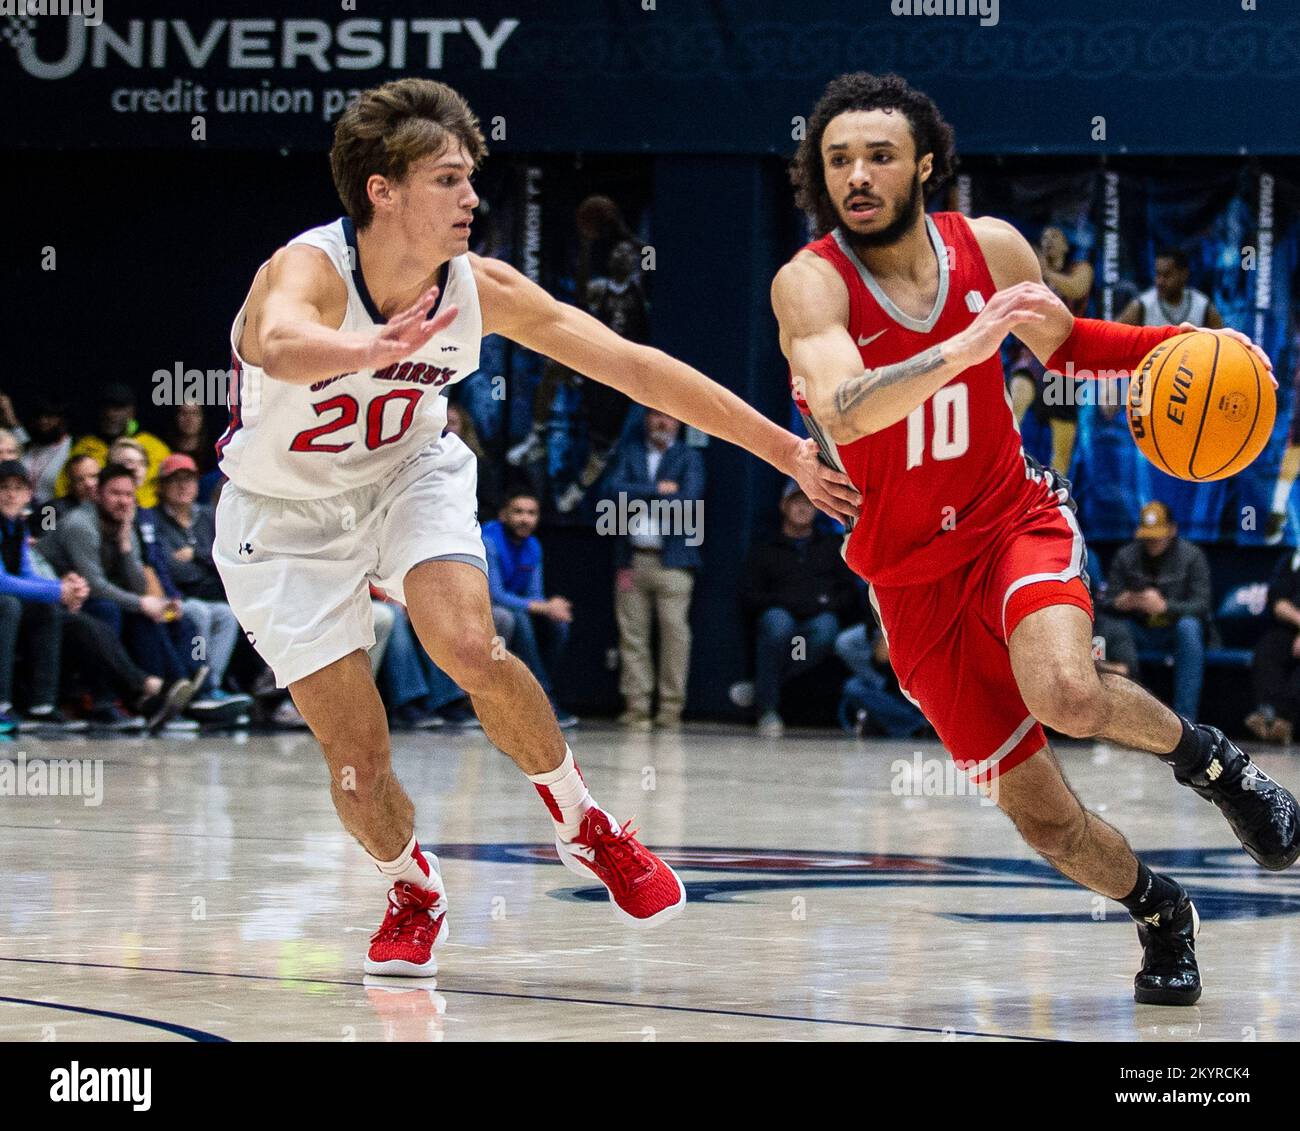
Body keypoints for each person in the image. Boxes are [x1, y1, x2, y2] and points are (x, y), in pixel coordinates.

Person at [210, 78, 856, 977]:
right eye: (448, 179)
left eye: (472, 178)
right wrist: (369, 349)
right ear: (381, 190)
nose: (472, 197)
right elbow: (279, 342)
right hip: (282, 516)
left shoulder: (481, 288)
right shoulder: (307, 270)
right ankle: (411, 886)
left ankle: (584, 822)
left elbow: (634, 367)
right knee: (357, 758)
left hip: (406, 473)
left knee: (470, 644)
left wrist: (786, 450)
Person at [770, 70, 1297, 1007]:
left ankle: (1215, 763)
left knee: (1066, 690)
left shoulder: (991, 246)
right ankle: (1160, 909)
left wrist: (1186, 347)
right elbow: (844, 408)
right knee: (1047, 822)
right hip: (909, 584)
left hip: (1010, 519)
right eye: (838, 158)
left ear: (924, 164)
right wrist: (963, 349)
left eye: (880, 156)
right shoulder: (810, 283)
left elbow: (1069, 345)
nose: (857, 175)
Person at [0, 460, 195, 731]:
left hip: (53, 598)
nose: (11, 495)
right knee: (101, 610)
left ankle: (44, 707)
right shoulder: (79, 524)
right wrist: (59, 590)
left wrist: (125, 547)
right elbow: (3, 581)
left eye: (18, 489)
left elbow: (25, 572)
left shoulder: (17, 526)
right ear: (98, 494)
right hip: (39, 599)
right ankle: (131, 693)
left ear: (27, 494)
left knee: (138, 617)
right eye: (4, 488)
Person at [604, 410, 704, 731]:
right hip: (632, 559)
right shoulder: (629, 452)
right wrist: (659, 490)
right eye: (656, 415)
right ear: (646, 419)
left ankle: (671, 709)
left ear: (680, 422)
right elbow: (612, 494)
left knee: (675, 635)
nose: (662, 422)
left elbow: (689, 503)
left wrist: (636, 495)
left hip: (674, 561)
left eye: (670, 416)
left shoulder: (689, 457)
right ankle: (637, 708)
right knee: (632, 635)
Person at [740, 483, 860, 737]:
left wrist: (823, 603)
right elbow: (749, 595)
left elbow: (848, 592)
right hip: (779, 619)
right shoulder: (765, 548)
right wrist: (785, 601)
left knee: (827, 627)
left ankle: (762, 689)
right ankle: (767, 710)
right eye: (796, 502)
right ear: (783, 506)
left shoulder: (831, 545)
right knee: (778, 623)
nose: (803, 508)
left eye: (808, 502)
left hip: (815, 624)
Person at [142, 453, 254, 715]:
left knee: (226, 615)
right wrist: (204, 564)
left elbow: (226, 557)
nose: (183, 486)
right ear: (161, 486)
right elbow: (169, 567)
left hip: (211, 594)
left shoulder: (208, 516)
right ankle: (198, 687)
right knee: (200, 614)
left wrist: (195, 556)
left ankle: (211, 685)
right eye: (175, 480)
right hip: (177, 595)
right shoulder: (153, 519)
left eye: (189, 479)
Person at [1093, 502, 1211, 722]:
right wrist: (1121, 602)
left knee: (1189, 627)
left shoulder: (1192, 556)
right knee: (1108, 627)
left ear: (1172, 530)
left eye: (1157, 537)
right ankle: (1114, 715)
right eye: (1148, 537)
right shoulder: (1126, 556)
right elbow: (1105, 602)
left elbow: (1202, 605)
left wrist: (1165, 606)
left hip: (1173, 630)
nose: (1152, 542)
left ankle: (1185, 720)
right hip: (1137, 629)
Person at [482, 489, 578, 729]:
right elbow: (495, 594)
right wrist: (543, 606)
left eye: (531, 513)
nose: (525, 519)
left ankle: (537, 691)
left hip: (514, 608)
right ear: (503, 515)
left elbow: (534, 593)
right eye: (518, 512)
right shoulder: (488, 540)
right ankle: (541, 697)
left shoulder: (533, 545)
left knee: (558, 624)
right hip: (482, 609)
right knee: (518, 617)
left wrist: (549, 608)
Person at [60, 383, 170, 506]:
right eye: (107, 407)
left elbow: (169, 489)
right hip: (92, 513)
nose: (111, 414)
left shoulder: (155, 447)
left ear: (132, 411)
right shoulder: (85, 446)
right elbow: (62, 488)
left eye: (119, 408)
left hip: (145, 513)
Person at [1245, 547, 1300, 744]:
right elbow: (1278, 602)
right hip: (1291, 628)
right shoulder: (1292, 560)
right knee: (1268, 648)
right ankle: (1268, 713)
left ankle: (1285, 719)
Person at [1118, 247, 1223, 330]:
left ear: (1184, 274)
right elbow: (1115, 337)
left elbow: (1223, 342)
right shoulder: (1141, 307)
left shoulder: (1202, 306)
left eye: (1166, 275)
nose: (1160, 282)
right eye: (1157, 274)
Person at [21, 397, 73, 507]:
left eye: (49, 417)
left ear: (61, 419)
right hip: (24, 511)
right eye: (39, 417)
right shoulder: (28, 447)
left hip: (54, 512)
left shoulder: (73, 447)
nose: (43, 421)